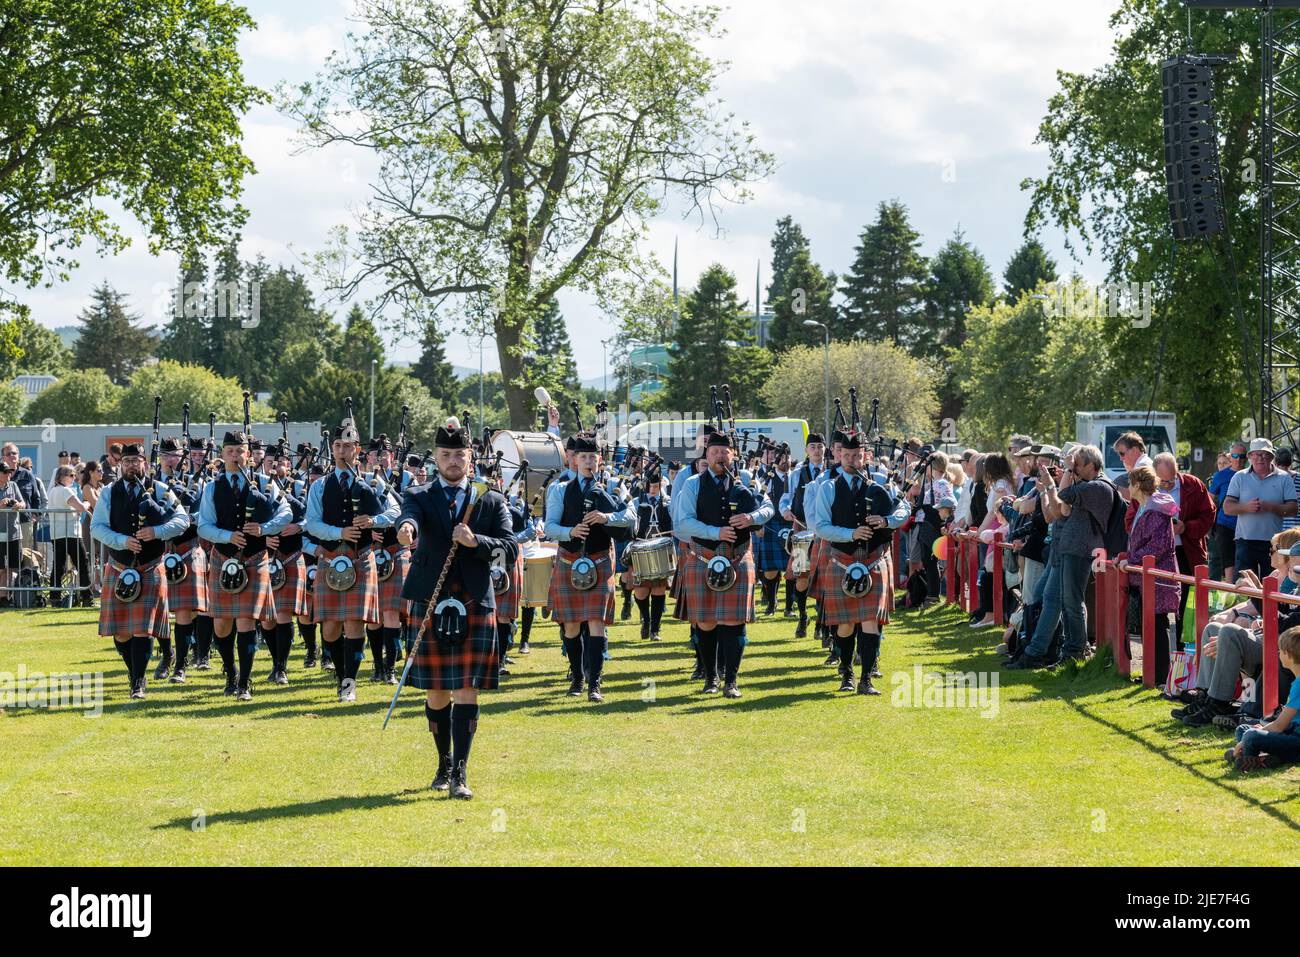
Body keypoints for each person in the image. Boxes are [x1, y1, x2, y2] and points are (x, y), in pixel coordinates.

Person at [397, 422, 516, 799]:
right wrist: (406, 531)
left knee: (467, 689)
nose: (452, 462)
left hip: (474, 599)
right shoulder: (418, 493)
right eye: (446, 455)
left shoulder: (491, 499)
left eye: (459, 455)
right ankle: (443, 763)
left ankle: (461, 773)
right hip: (430, 598)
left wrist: (475, 541)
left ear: (470, 457)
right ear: (435, 457)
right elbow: (409, 517)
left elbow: (510, 548)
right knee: (435, 691)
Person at [304, 421, 399, 702]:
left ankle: (349, 682)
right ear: (331, 449)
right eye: (337, 446)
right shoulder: (320, 486)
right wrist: (339, 532)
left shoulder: (372, 481)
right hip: (331, 558)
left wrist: (374, 520)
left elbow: (395, 510)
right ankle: (340, 671)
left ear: (357, 450)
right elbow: (312, 524)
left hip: (361, 558)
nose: (341, 451)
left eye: (347, 446)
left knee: (356, 623)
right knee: (331, 627)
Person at [674, 430, 772, 698]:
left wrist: (751, 518)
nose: (719, 456)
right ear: (707, 455)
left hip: (738, 557)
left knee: (734, 622)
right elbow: (683, 522)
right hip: (702, 557)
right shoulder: (693, 484)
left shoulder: (746, 481)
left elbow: (768, 507)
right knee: (705, 622)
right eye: (714, 452)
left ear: (733, 455)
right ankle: (710, 677)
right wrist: (715, 532)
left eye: (724, 452)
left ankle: (731, 681)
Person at [89, 443, 191, 699]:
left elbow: (182, 520)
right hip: (119, 566)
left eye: (136, 460)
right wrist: (122, 541)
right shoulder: (109, 492)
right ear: (119, 464)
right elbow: (97, 527)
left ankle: (138, 682)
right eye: (126, 461)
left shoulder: (160, 489)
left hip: (149, 567)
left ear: (145, 462)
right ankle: (135, 672)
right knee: (122, 634)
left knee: (143, 629)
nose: (131, 465)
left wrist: (156, 532)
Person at [197, 431, 294, 700]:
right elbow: (204, 525)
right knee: (221, 625)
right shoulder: (212, 487)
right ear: (222, 455)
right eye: (230, 451)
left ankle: (244, 683)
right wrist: (227, 536)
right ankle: (230, 673)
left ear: (248, 455)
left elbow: (286, 512)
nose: (235, 456)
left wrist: (264, 528)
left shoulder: (264, 484)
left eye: (240, 451)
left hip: (254, 559)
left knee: (247, 622)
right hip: (223, 558)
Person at [544, 433, 635, 701]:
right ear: (573, 460)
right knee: (571, 626)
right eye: (582, 457)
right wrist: (571, 531)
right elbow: (550, 527)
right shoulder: (560, 489)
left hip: (599, 559)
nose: (588, 462)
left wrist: (607, 516)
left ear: (599, 460)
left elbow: (630, 516)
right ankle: (577, 676)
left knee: (596, 623)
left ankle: (595, 684)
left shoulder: (613, 485)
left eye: (592, 457)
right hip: (569, 560)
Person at [809, 430, 899, 695]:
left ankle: (866, 679)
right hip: (842, 560)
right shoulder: (828, 488)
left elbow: (902, 509)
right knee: (846, 623)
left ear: (865, 456)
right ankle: (847, 673)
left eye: (856, 456)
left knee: (871, 620)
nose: (850, 460)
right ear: (838, 455)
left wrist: (886, 522)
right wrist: (851, 533)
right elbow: (822, 527)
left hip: (873, 560)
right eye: (846, 455)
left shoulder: (878, 486)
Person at [1010, 445, 1114, 669]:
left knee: (1070, 603)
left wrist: (1065, 474)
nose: (1072, 468)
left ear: (1090, 465)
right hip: (1064, 548)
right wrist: (1050, 485)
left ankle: (1066, 651)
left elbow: (1062, 501)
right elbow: (1059, 512)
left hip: (1078, 550)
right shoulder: (1083, 486)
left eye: (1076, 464)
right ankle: (1046, 650)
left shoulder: (1098, 487)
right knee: (1055, 600)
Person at [1118, 466, 1180, 685]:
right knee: (1149, 625)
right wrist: (1128, 556)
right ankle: (1151, 674)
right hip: (1147, 577)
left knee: (1157, 624)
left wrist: (1132, 560)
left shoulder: (1155, 510)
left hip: (1158, 577)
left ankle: (1160, 677)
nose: (1127, 486)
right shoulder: (1146, 507)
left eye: (1130, 482)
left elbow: (1158, 545)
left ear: (1137, 485)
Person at [157, 437, 209, 681]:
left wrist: (187, 516)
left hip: (186, 548)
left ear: (182, 456)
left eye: (174, 454)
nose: (170, 459)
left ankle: (180, 665)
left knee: (185, 611)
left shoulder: (195, 483)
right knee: (159, 611)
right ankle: (167, 655)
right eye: (165, 454)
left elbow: (204, 513)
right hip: (157, 552)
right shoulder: (152, 484)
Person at [1151, 452, 1215, 648]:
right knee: (1158, 607)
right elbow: (1131, 522)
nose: (1168, 485)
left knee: (1188, 607)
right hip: (1158, 556)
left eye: (1171, 481)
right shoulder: (1147, 487)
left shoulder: (1193, 484)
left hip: (1187, 553)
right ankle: (1159, 664)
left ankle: (1185, 658)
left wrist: (1186, 527)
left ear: (1177, 471)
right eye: (1163, 482)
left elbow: (1209, 514)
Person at [1225, 626, 1300, 772]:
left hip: (1296, 739)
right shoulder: (1297, 681)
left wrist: (1260, 731)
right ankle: (1267, 757)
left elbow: (1279, 725)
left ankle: (1249, 758)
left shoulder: (1299, 685)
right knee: (1244, 729)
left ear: (1289, 655)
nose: (1279, 654)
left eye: (1281, 651)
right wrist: (1263, 728)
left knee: (1251, 735)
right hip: (1291, 731)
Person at [1223, 438, 1299, 579]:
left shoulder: (1284, 478)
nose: (1260, 458)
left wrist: (1271, 507)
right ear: (1250, 456)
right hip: (1245, 540)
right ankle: (1248, 603)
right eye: (1256, 454)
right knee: (1244, 585)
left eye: (1264, 454)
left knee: (1271, 585)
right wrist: (1246, 507)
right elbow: (1227, 507)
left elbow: (1293, 508)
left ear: (1271, 457)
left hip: (1273, 543)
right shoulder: (1239, 477)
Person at [629, 467, 672, 640]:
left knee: (659, 590)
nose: (654, 489)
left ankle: (655, 628)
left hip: (661, 549)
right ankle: (646, 621)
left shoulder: (667, 501)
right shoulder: (637, 501)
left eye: (657, 486)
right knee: (640, 591)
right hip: (641, 549)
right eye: (651, 486)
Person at [47, 465, 90, 607]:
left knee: (58, 567)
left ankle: (55, 598)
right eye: (70, 475)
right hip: (70, 533)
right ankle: (87, 597)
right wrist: (88, 502)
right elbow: (81, 508)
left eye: (74, 475)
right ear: (60, 477)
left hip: (57, 533)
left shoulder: (53, 491)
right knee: (83, 564)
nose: (73, 478)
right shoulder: (65, 490)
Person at [1208, 442, 1246, 582]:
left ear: (1246, 457)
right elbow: (1209, 500)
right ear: (1231, 457)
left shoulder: (1251, 475)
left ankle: (1244, 595)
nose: (1238, 459)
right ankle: (1231, 593)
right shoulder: (1220, 476)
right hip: (1225, 524)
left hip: (1246, 524)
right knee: (1228, 562)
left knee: (1243, 561)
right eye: (1235, 455)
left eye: (1242, 456)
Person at [0, 461, 26, 606]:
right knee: (0, 568)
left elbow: (24, 503)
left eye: (9, 472)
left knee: (12, 567)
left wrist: (18, 505)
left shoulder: (14, 485)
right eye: (5, 472)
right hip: (0, 534)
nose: (8, 474)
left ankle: (5, 597)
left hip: (14, 533)